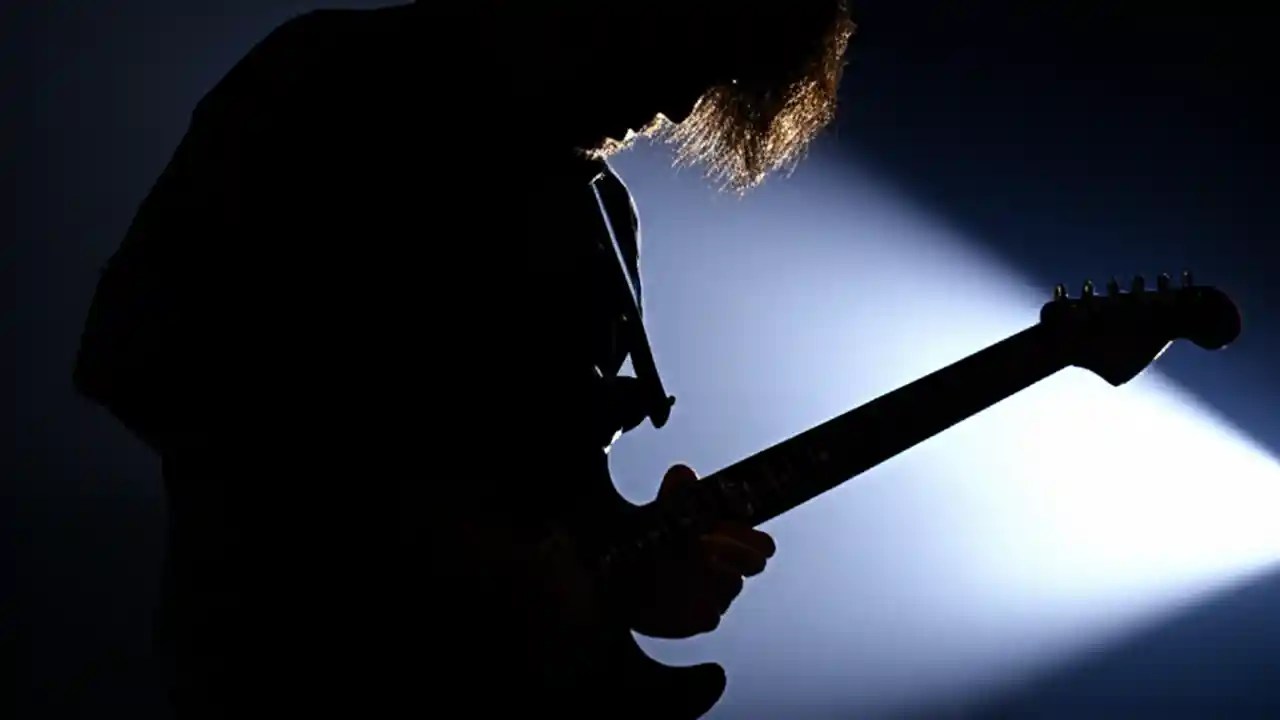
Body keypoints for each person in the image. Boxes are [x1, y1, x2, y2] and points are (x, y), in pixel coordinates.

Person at [72, 0, 854, 715]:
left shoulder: (605, 215)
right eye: (687, 46)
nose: (681, 103)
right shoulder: (337, 77)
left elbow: (548, 503)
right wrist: (455, 554)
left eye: (718, 75)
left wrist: (643, 576)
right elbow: (135, 352)